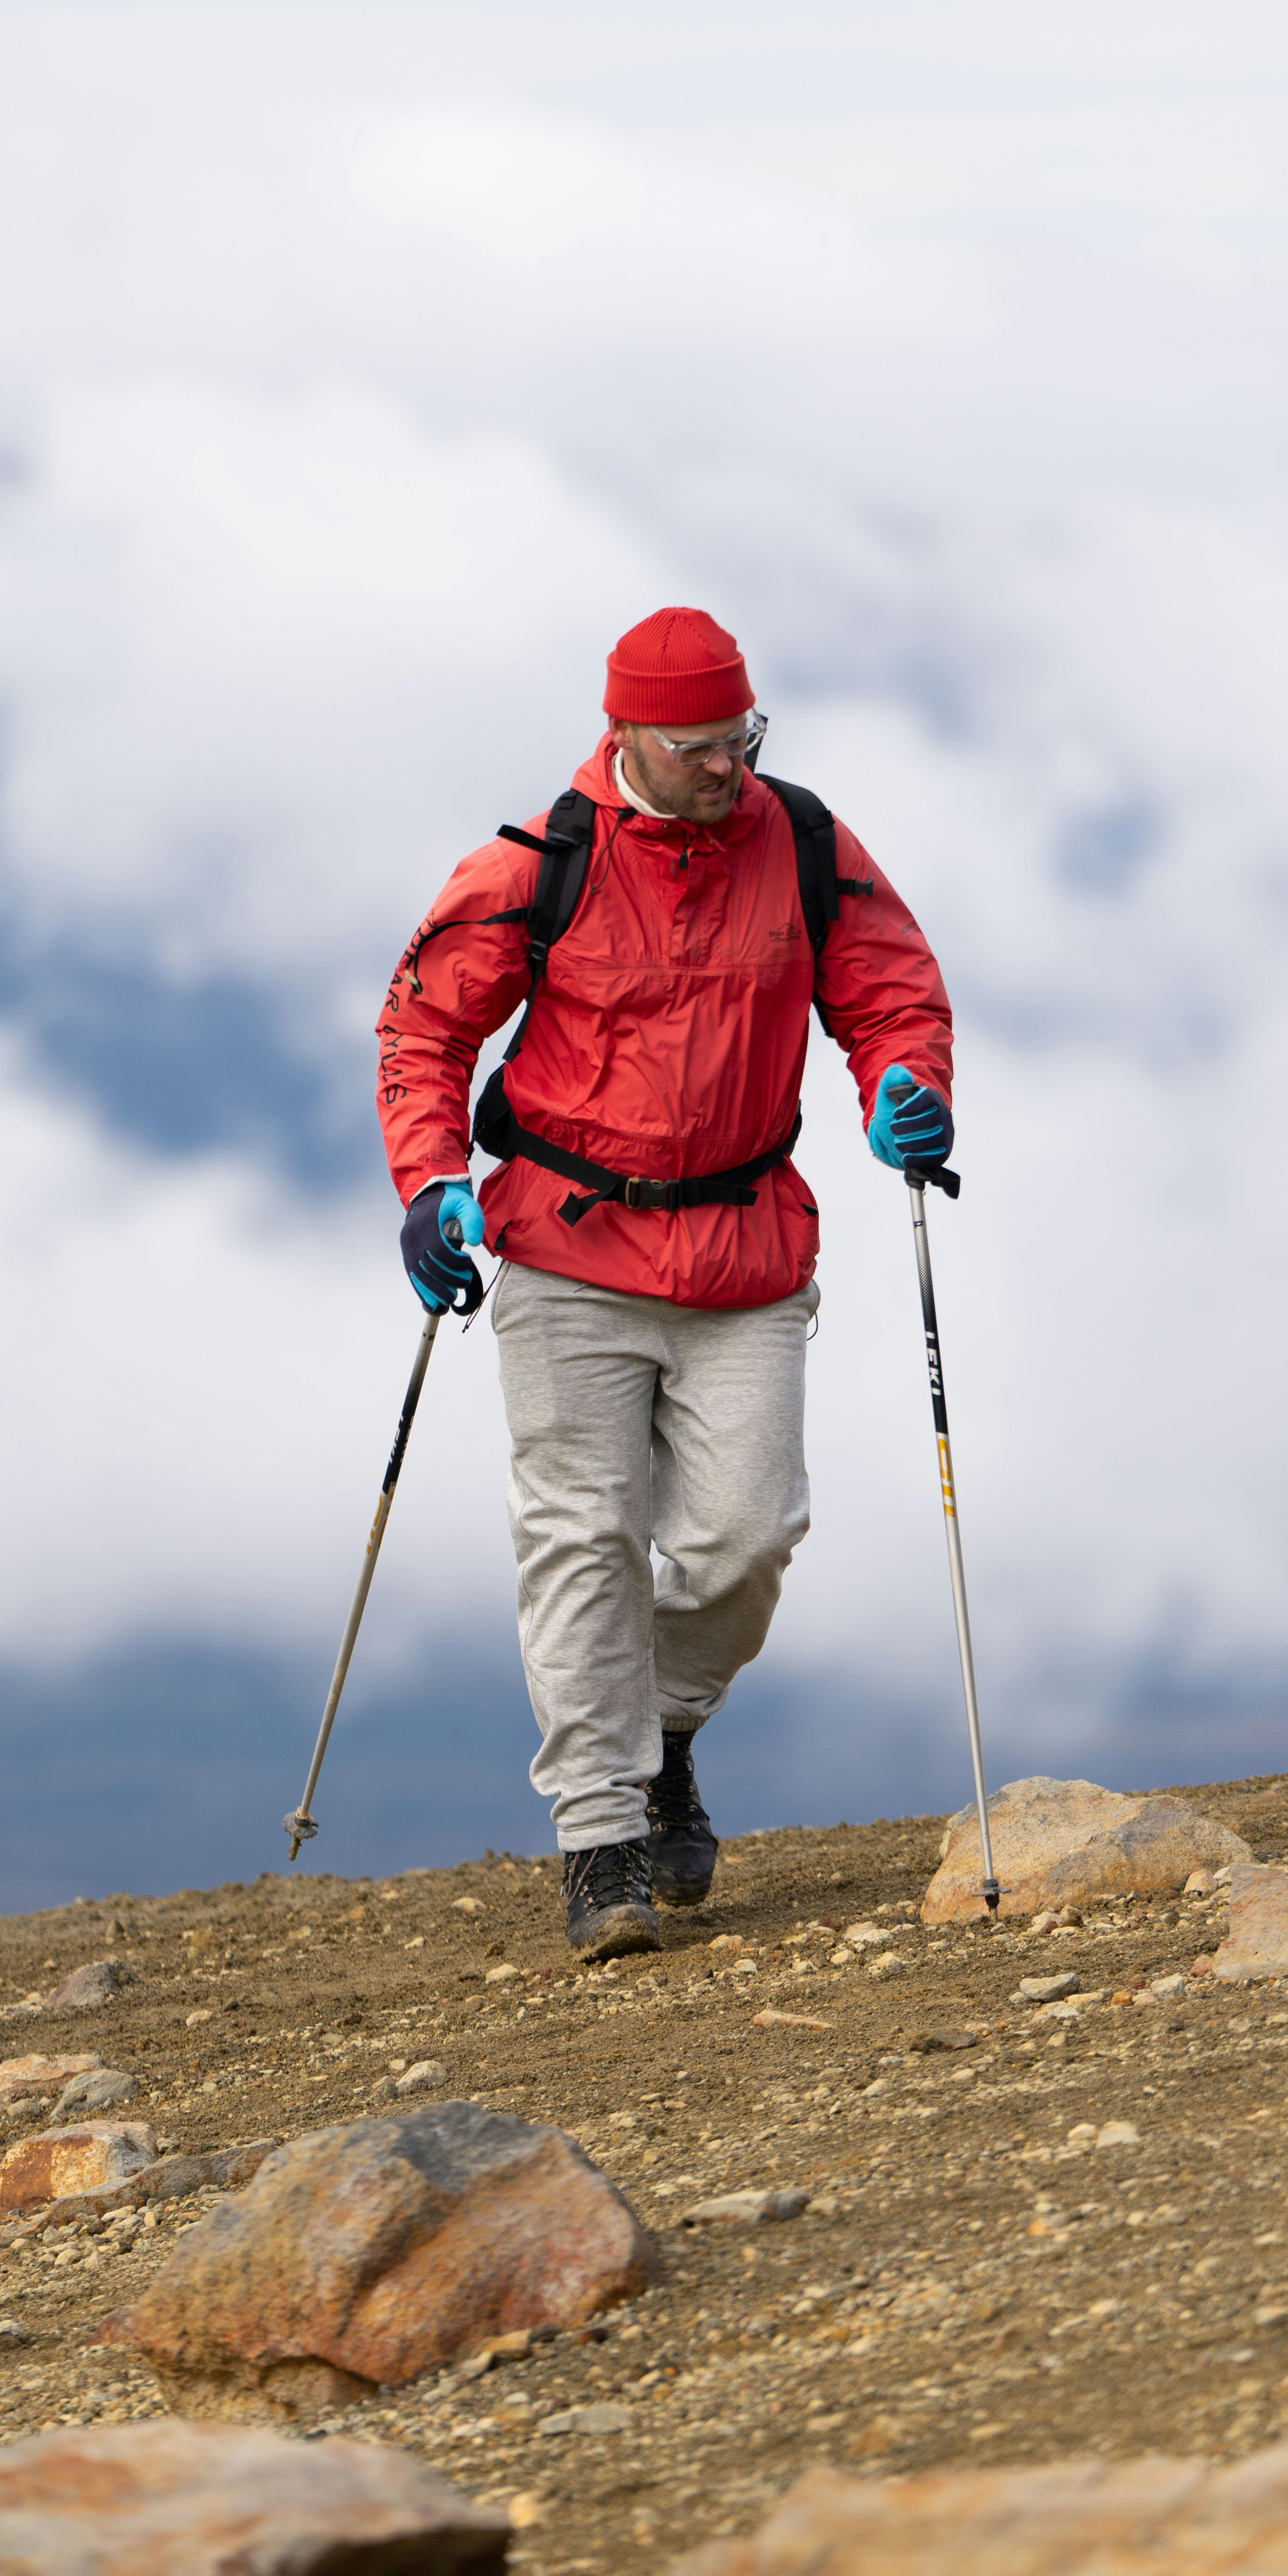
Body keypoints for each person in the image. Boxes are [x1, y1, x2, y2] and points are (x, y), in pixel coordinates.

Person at [375, 605, 956, 1959]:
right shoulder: (537, 866)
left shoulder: (803, 842)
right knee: (578, 1536)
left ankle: (664, 1734)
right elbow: (422, 1028)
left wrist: (907, 1086)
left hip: (748, 1249)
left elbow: (886, 988)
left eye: (742, 738)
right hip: (568, 1250)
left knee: (747, 1538)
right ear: (627, 733)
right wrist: (427, 1186)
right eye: (698, 746)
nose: (726, 768)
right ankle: (602, 1841)